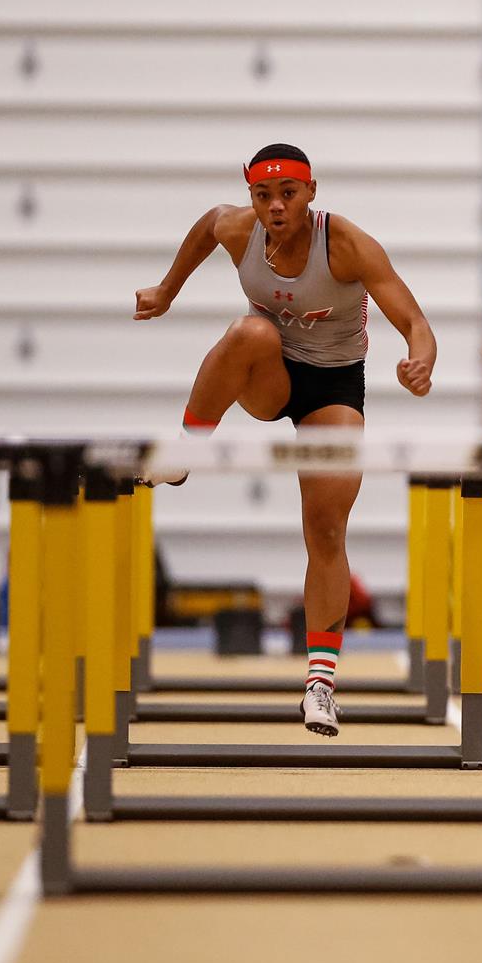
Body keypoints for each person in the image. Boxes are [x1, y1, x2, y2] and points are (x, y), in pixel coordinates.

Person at [134, 143, 437, 737]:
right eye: (263, 195)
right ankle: (188, 449)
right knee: (248, 330)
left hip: (333, 387)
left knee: (325, 529)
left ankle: (320, 684)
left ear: (312, 192)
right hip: (269, 373)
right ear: (250, 196)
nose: (275, 207)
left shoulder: (347, 244)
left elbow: (416, 323)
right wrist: (167, 291)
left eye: (288, 195)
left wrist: (419, 361)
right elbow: (203, 230)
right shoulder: (237, 226)